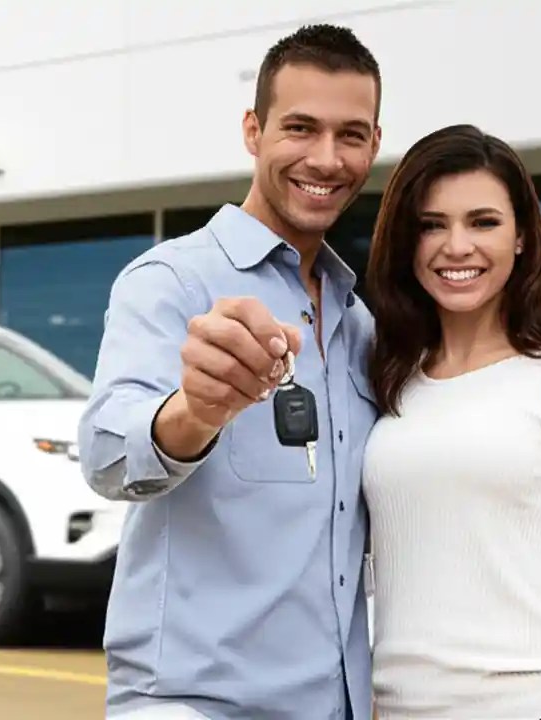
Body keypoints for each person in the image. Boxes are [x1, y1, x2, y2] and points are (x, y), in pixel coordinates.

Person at [79, 24, 383, 720]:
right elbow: (104, 455)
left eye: (352, 134)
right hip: (197, 705)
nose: (326, 158)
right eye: (300, 127)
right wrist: (195, 411)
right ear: (254, 131)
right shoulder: (171, 281)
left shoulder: (360, 324)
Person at [361, 124, 541, 720]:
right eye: (431, 224)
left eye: (483, 222)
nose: (455, 246)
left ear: (520, 238)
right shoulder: (385, 371)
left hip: (535, 705)